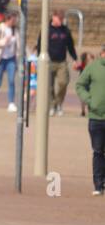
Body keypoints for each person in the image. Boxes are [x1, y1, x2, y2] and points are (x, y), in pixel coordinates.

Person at [73, 45, 105, 195]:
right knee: (98, 151)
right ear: (103, 53)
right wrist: (89, 101)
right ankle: (98, 185)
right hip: (96, 118)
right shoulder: (93, 68)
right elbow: (80, 85)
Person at [40, 12, 79, 117]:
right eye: (58, 18)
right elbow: (40, 44)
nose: (60, 21)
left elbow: (70, 46)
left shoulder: (65, 30)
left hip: (62, 62)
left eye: (62, 19)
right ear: (53, 17)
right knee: (49, 86)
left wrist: (75, 59)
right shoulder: (46, 29)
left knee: (63, 82)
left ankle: (58, 104)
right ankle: (52, 105)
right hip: (49, 62)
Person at [0, 11, 18, 112]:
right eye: (13, 20)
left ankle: (11, 103)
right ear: (8, 19)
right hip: (1, 59)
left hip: (11, 59)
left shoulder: (15, 30)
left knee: (11, 81)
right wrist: (3, 42)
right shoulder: (0, 29)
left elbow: (20, 44)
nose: (14, 22)